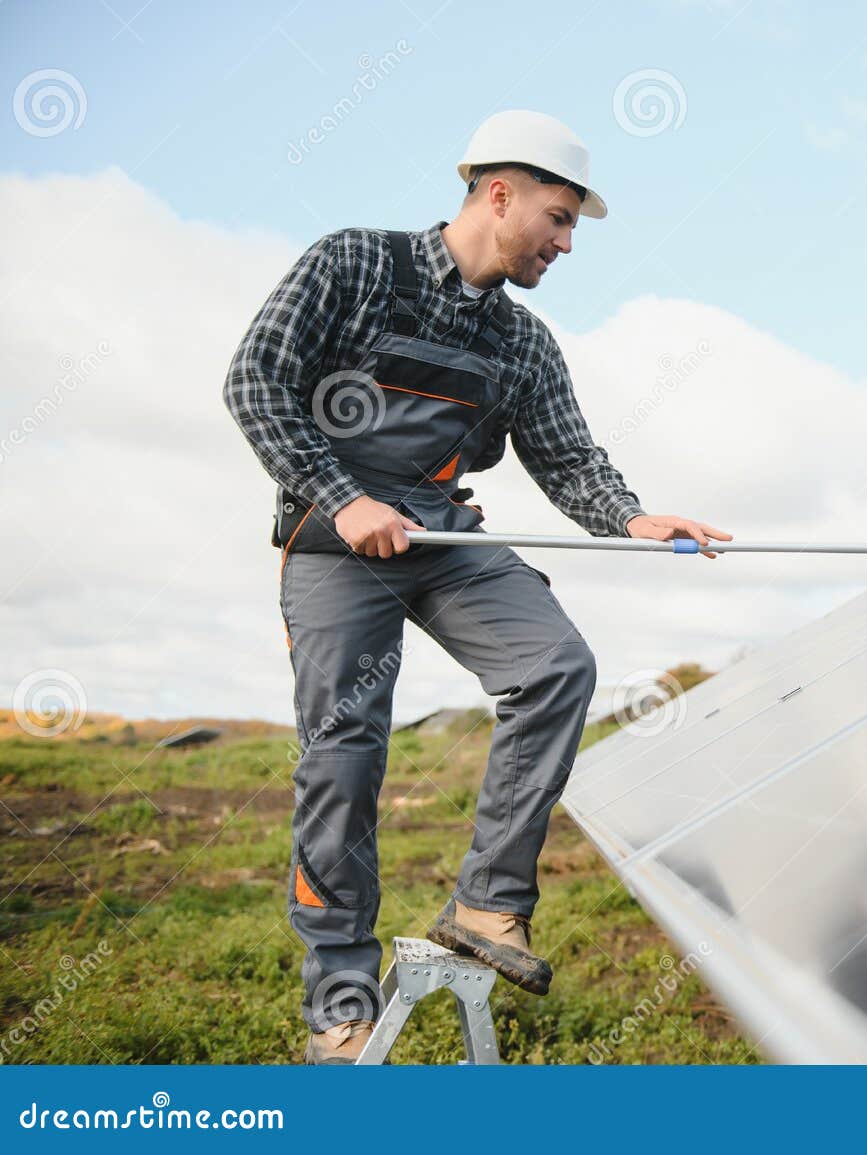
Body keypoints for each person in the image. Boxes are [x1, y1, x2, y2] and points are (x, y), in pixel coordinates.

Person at [223, 109, 730, 1064]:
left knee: (555, 665)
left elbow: (569, 458)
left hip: (443, 533)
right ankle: (340, 1002)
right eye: (560, 216)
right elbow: (256, 384)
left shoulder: (525, 344)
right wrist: (341, 496)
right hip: (335, 544)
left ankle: (488, 903)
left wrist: (630, 516)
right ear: (501, 194)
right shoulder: (355, 266)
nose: (568, 242)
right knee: (344, 759)